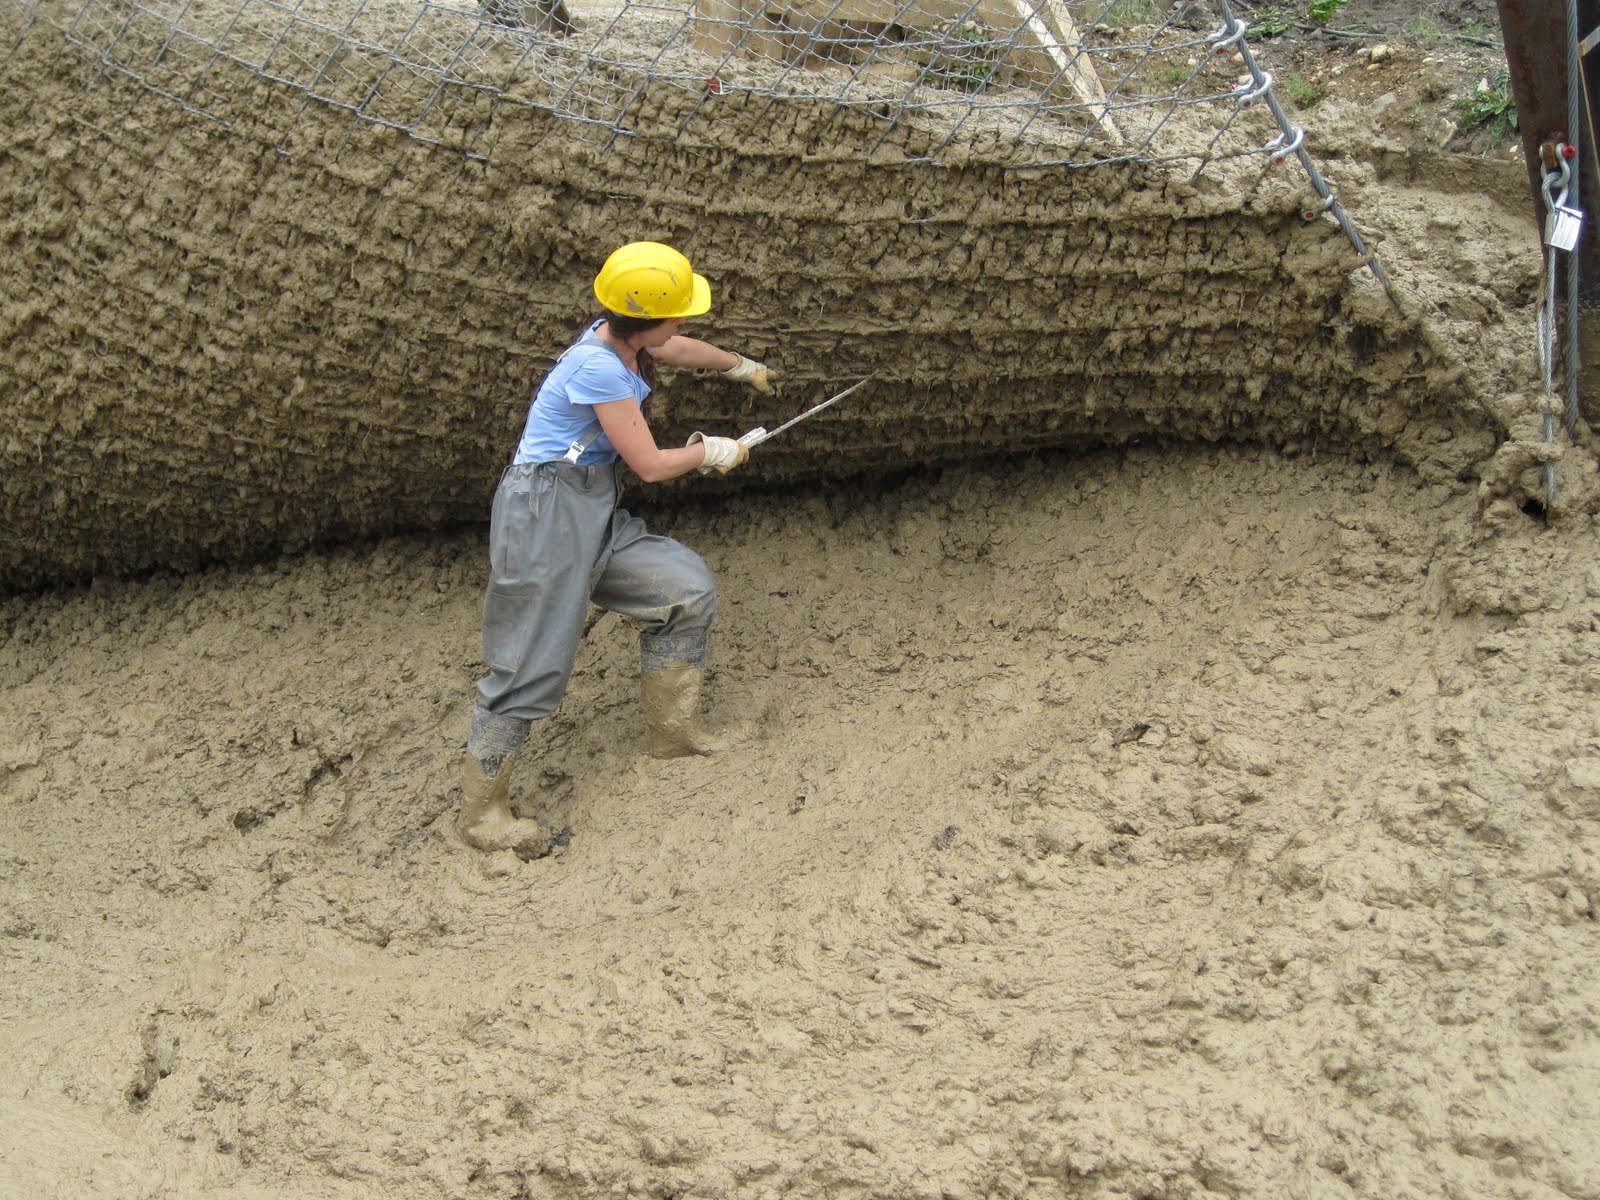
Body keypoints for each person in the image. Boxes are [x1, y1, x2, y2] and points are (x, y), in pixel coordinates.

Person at [458, 241, 778, 859]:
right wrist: (713, 449)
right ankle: (482, 814)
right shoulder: (599, 368)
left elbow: (675, 347)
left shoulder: (619, 336)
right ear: (649, 318)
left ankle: (674, 737)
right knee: (528, 663)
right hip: (543, 517)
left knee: (682, 589)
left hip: (588, 508)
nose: (685, 321)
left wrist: (739, 364)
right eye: (679, 312)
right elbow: (653, 465)